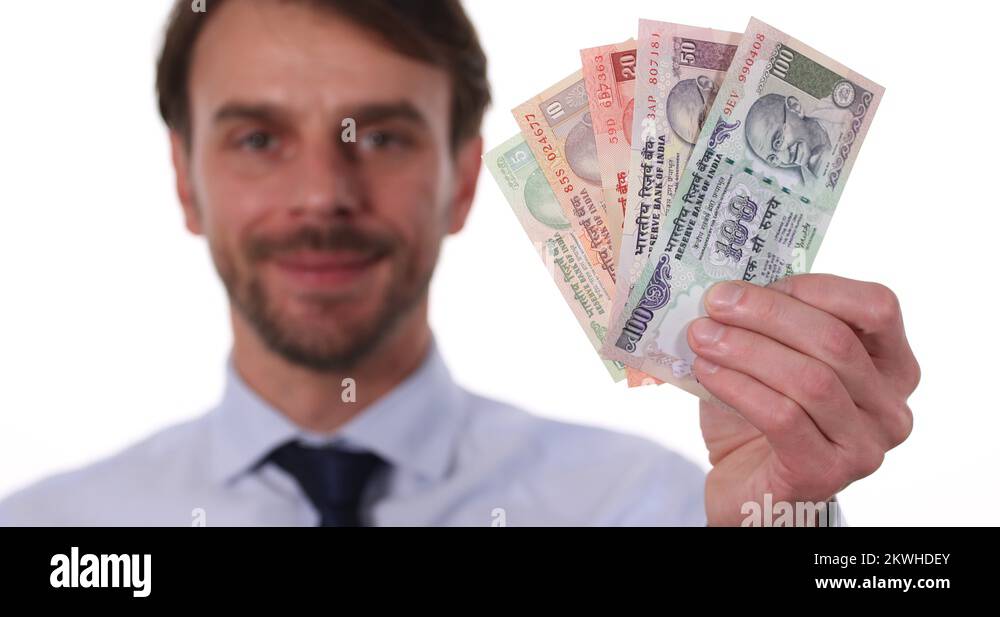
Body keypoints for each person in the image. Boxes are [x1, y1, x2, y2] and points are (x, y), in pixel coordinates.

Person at [0, 0, 919, 526]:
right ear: (186, 182)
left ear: (463, 180)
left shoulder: (661, 508)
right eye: (257, 138)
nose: (323, 193)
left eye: (384, 135)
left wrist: (786, 523)